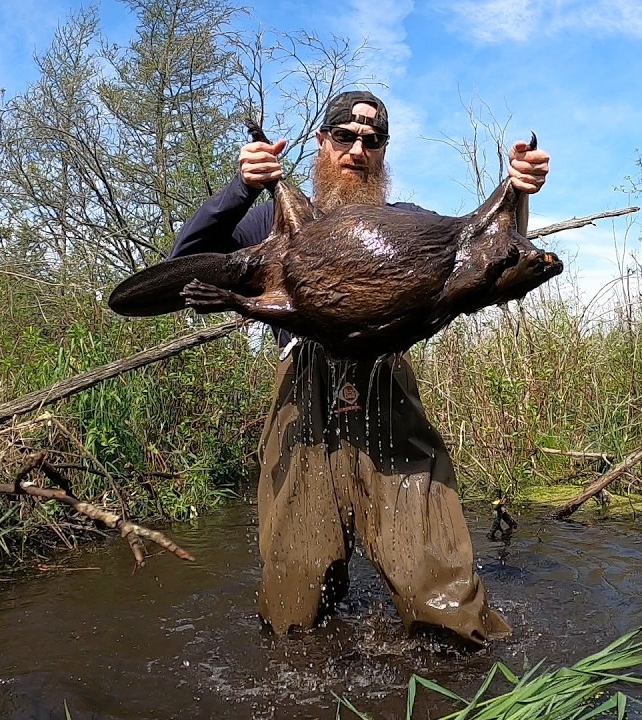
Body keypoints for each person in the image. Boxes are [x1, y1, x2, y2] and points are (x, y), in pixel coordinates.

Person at [168, 90, 550, 645]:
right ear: (322, 144)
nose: (357, 150)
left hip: (388, 388)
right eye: (345, 137)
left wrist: (517, 189)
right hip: (304, 393)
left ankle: (462, 668)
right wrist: (241, 188)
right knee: (296, 604)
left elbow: (491, 251)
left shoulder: (410, 224)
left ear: (383, 152)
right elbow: (184, 265)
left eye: (372, 141)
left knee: (438, 587)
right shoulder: (275, 225)